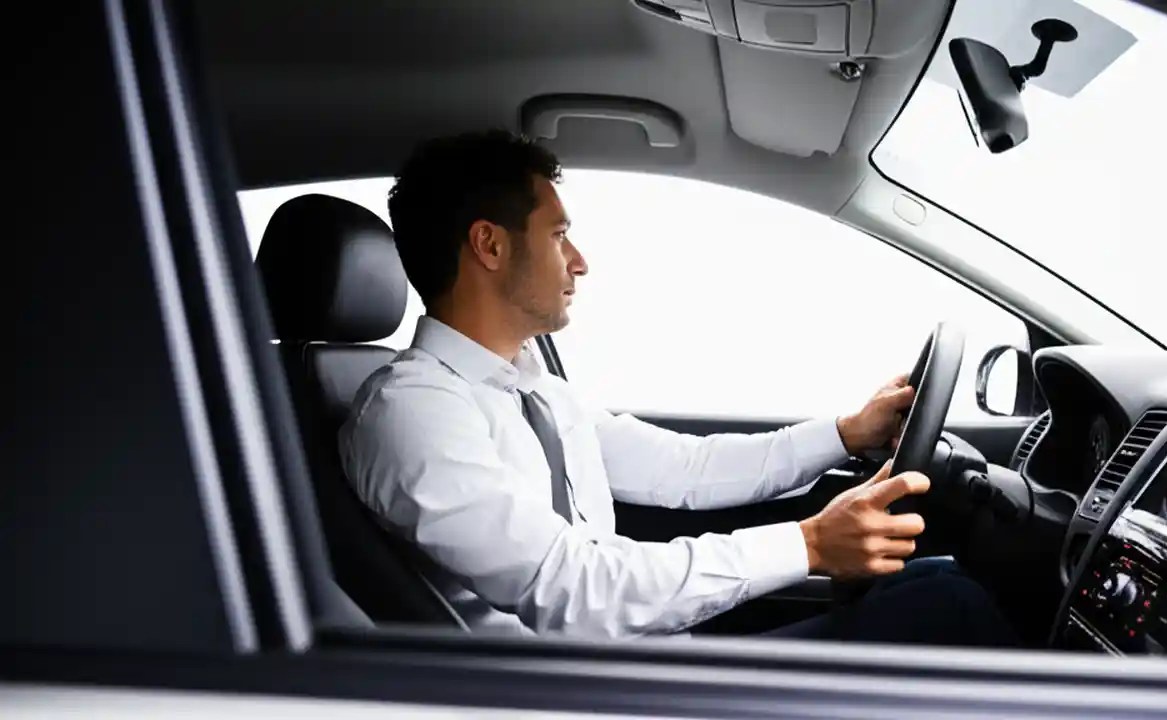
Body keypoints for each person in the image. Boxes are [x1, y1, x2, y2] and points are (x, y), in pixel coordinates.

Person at [339, 129, 1017, 645]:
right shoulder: (411, 413)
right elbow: (569, 589)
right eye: (559, 236)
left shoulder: (531, 388)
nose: (580, 261)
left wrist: (845, 432)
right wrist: (808, 544)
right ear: (489, 246)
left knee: (938, 582)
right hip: (575, 697)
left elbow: (683, 470)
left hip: (644, 657)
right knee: (950, 609)